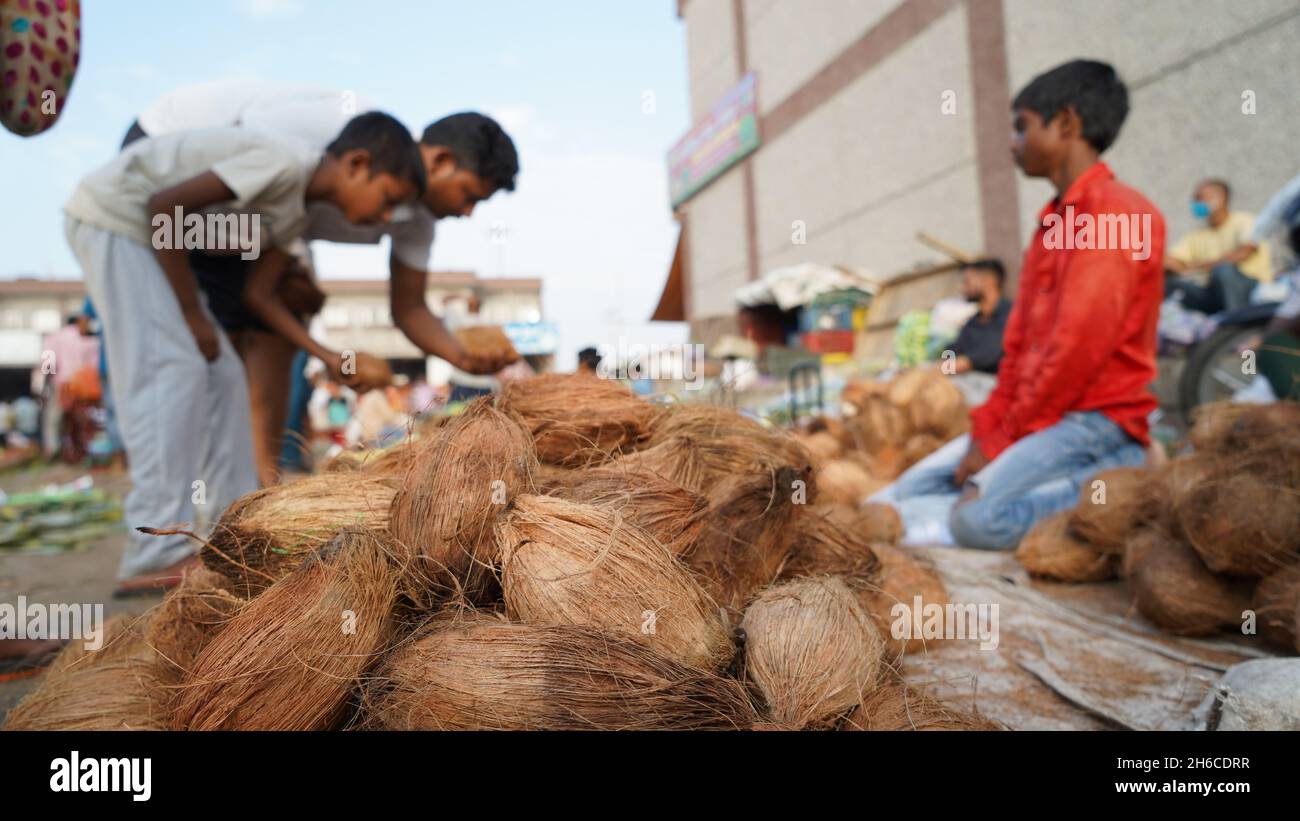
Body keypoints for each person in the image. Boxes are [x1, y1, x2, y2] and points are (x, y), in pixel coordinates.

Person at [64, 110, 420, 595]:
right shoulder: (283, 164)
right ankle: (153, 550)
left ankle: (230, 530)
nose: (383, 220)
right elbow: (164, 208)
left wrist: (325, 354)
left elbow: (259, 298)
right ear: (357, 164)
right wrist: (191, 313)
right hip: (117, 221)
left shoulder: (293, 212)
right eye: (388, 201)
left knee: (226, 374)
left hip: (146, 236)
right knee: (173, 369)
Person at [124, 82, 520, 483]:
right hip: (166, 162)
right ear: (440, 159)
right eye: (469, 194)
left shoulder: (413, 218)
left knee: (280, 307)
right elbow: (242, 155)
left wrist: (465, 358)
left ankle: (259, 483)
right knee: (187, 351)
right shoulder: (335, 128)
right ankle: (193, 493)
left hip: (248, 228)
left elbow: (409, 308)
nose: (468, 212)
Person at [874, 59, 1165, 549]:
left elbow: (1073, 356)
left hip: (1094, 421)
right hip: (1046, 414)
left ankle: (1130, 466)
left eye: (1022, 126)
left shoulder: (1119, 214)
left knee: (979, 520)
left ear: (1066, 123)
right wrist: (990, 428)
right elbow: (1018, 354)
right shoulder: (1051, 225)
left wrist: (1000, 442)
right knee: (904, 491)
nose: (1014, 142)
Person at [1164, 179, 1271, 314]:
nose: (1195, 203)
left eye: (1200, 198)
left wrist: (1198, 267)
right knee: (1168, 284)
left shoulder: (1244, 221)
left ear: (1220, 198)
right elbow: (1174, 260)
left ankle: (1236, 321)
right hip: (1214, 293)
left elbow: (1245, 251)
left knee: (1223, 271)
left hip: (1250, 289)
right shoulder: (1197, 235)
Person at [943, 259, 1011, 406]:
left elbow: (983, 355)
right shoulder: (973, 322)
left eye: (967, 282)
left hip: (1001, 388)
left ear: (988, 281)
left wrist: (941, 369)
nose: (962, 288)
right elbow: (952, 350)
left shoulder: (1011, 315)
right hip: (969, 381)